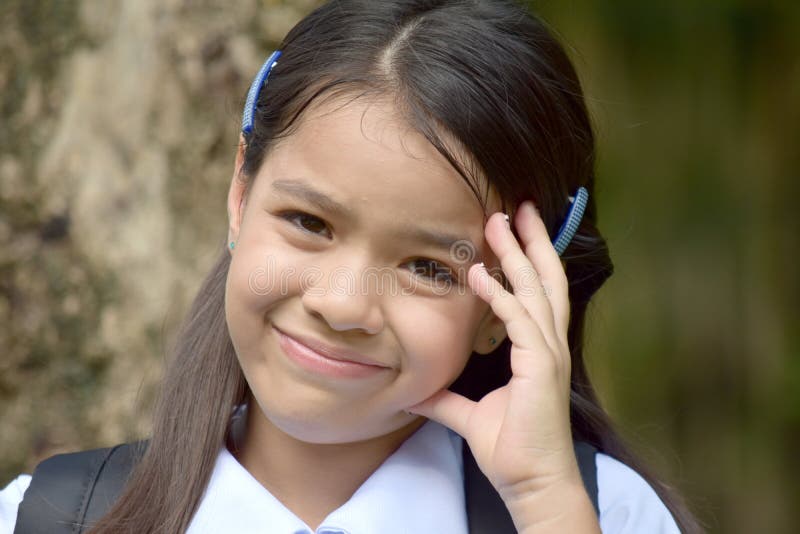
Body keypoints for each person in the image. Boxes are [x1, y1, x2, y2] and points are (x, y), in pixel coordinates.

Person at [0, 1, 702, 532]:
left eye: (429, 267)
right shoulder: (45, 517)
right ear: (241, 193)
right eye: (309, 223)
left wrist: (545, 502)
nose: (342, 305)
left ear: (506, 301)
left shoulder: (599, 513)